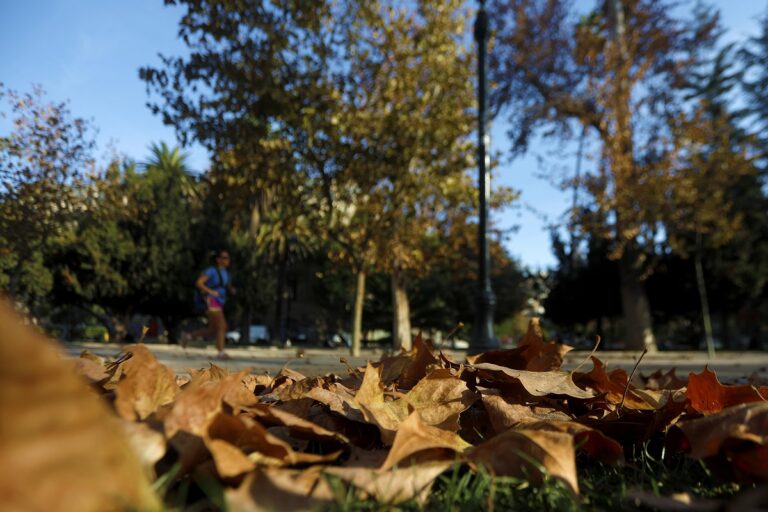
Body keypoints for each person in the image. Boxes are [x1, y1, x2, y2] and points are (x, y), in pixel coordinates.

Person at [182, 250, 235, 360]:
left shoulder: (226, 272)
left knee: (212, 330)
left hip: (220, 301)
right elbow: (199, 283)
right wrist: (211, 292)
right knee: (222, 326)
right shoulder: (211, 271)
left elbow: (226, 285)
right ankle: (220, 352)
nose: (227, 260)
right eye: (224, 258)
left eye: (228, 258)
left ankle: (188, 336)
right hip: (212, 300)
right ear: (218, 260)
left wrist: (231, 290)